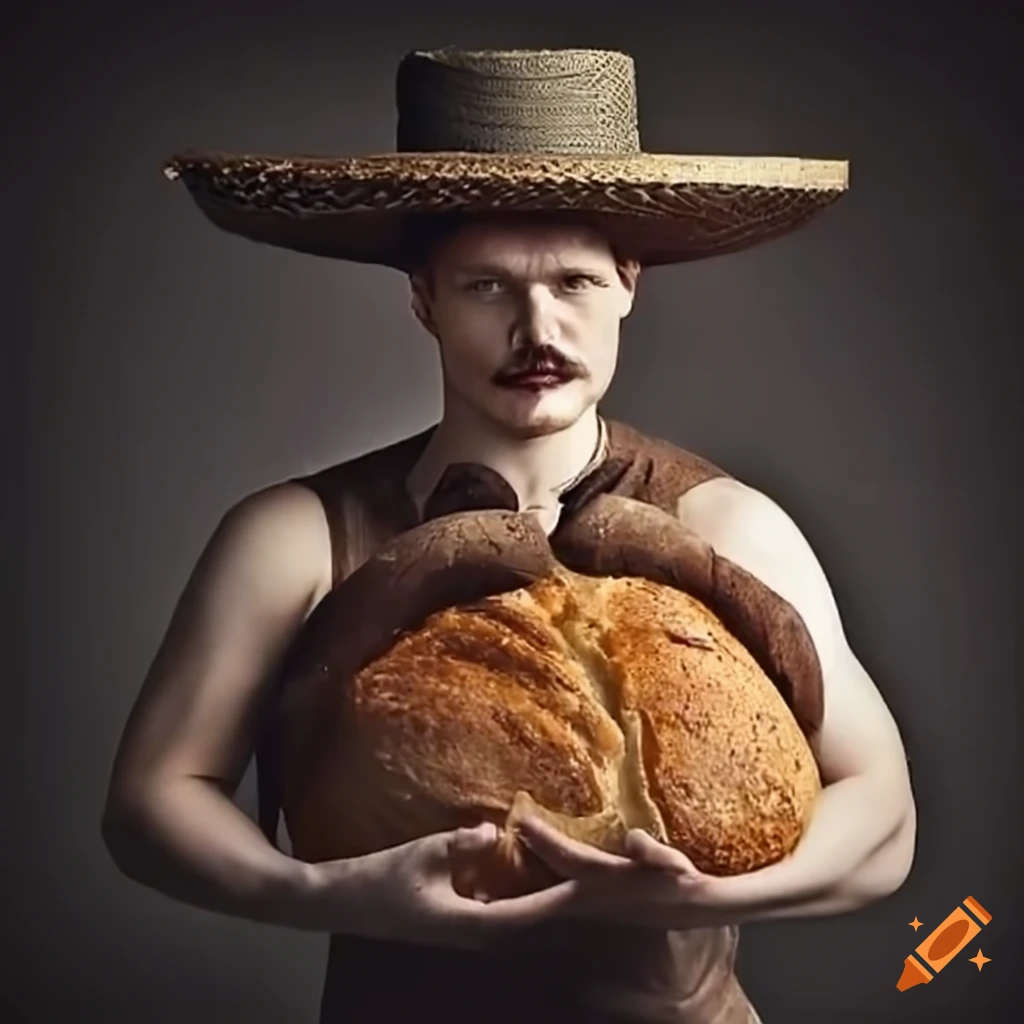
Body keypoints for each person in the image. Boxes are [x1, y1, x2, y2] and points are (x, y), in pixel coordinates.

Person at [102, 48, 916, 1022]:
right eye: (488, 287)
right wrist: (324, 893)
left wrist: (701, 895)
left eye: (572, 282)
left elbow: (883, 819)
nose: (539, 329)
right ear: (423, 298)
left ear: (627, 284)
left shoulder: (724, 524)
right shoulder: (298, 537)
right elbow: (152, 801)